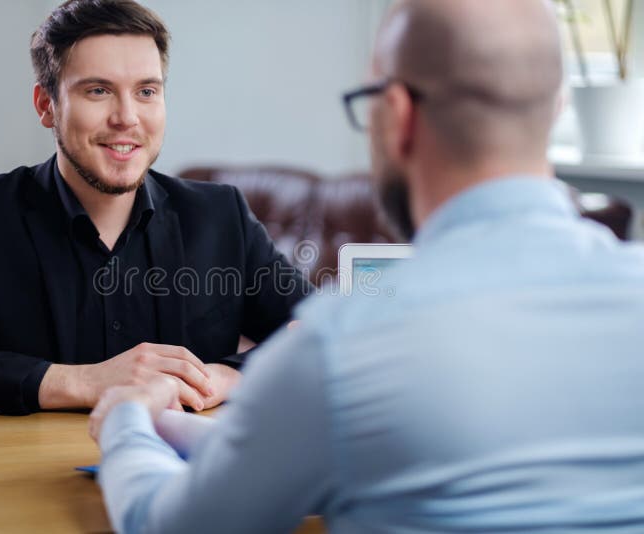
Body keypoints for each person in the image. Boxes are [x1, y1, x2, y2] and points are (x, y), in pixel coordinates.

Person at [87, 0, 644, 531]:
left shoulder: (339, 347)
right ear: (557, 107)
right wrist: (174, 424)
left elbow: (165, 523)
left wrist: (126, 424)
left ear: (398, 115)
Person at [0, 0, 308, 415]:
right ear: (46, 105)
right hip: (14, 483)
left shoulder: (219, 215)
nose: (127, 117)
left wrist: (222, 378)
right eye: (98, 91)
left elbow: (321, 332)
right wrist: (78, 381)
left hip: (177, 482)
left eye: (146, 91)